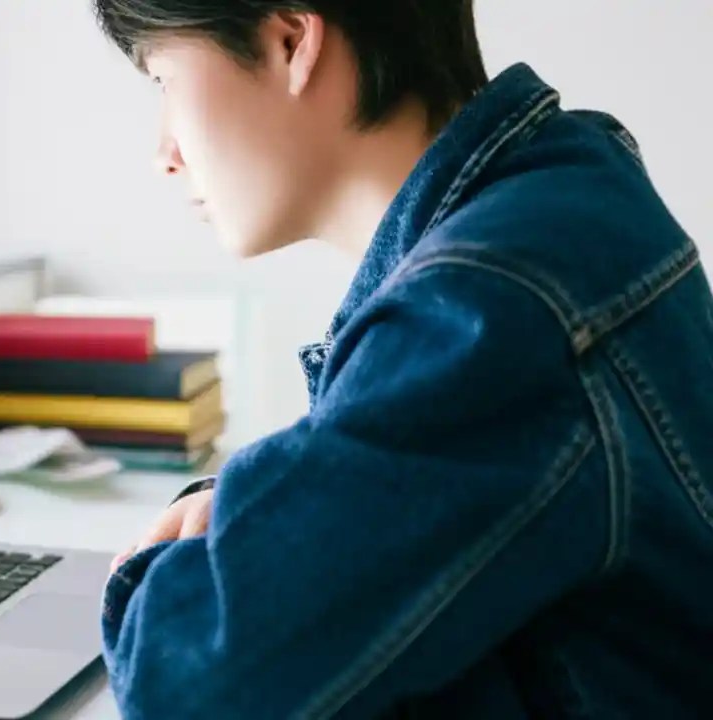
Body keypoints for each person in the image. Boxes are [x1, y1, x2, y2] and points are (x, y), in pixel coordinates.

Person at [92, 1, 713, 717]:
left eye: (164, 79)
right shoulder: (562, 184)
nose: (163, 152)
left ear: (291, 41)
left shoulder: (487, 310)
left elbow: (188, 686)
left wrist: (162, 568)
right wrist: (250, 513)